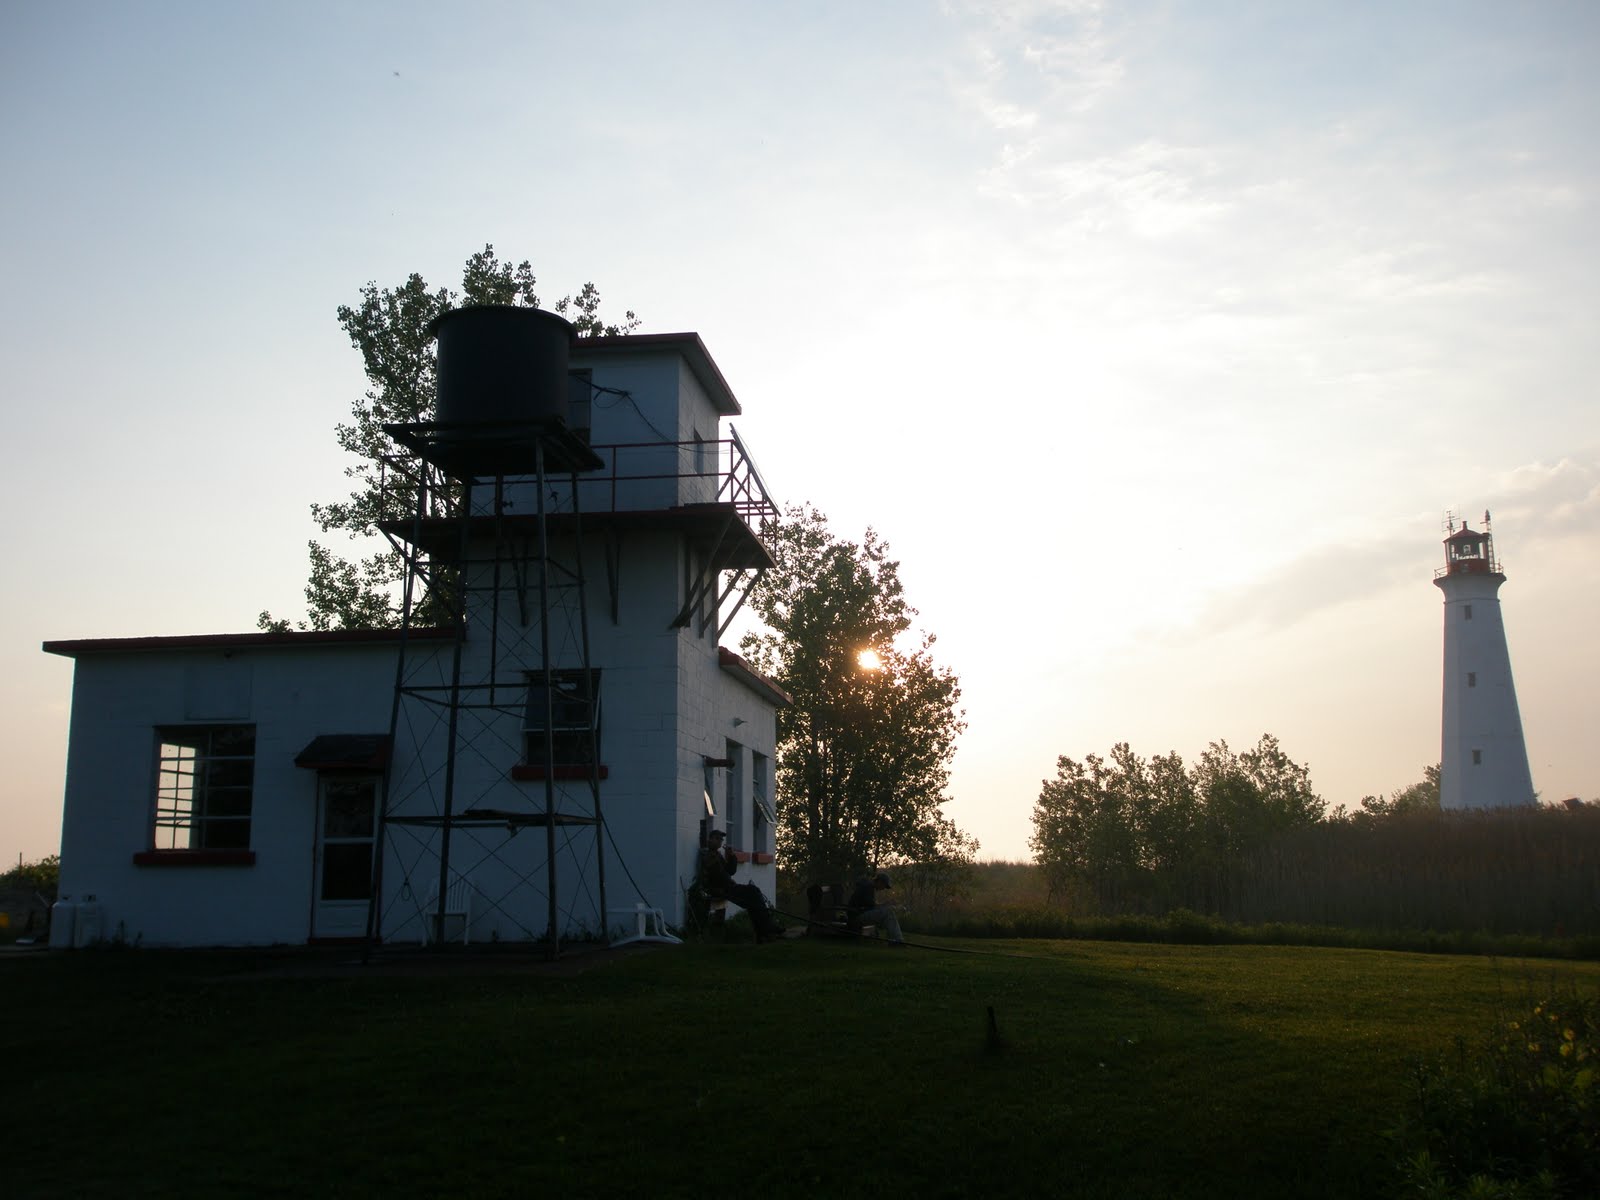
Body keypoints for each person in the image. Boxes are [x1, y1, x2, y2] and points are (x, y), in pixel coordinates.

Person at [699, 829, 783, 941]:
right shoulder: (708, 854)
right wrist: (731, 882)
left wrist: (732, 856)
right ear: (710, 839)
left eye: (721, 839)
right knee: (752, 894)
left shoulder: (717, 855)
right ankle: (766, 929)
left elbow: (730, 871)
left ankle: (764, 930)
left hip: (726, 887)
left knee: (754, 895)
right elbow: (719, 876)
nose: (720, 842)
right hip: (719, 889)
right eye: (717, 839)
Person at [848, 871, 906, 946]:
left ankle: (894, 939)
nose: (883, 888)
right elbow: (871, 907)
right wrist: (886, 904)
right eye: (884, 886)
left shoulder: (868, 886)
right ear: (879, 882)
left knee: (888, 912)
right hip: (857, 917)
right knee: (888, 912)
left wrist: (885, 904)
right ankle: (896, 940)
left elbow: (870, 905)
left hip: (858, 914)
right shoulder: (868, 887)